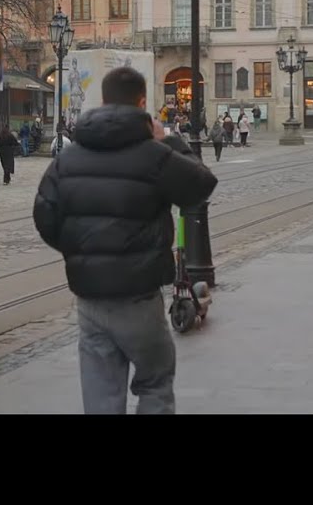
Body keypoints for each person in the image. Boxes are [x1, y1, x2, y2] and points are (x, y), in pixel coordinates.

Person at [33, 66, 218, 415]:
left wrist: (82, 252)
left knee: (101, 392)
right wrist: (171, 141)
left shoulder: (67, 159)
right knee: (155, 382)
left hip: (89, 299)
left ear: (103, 101)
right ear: (142, 103)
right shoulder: (154, 154)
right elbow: (201, 185)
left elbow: (44, 216)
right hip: (139, 296)